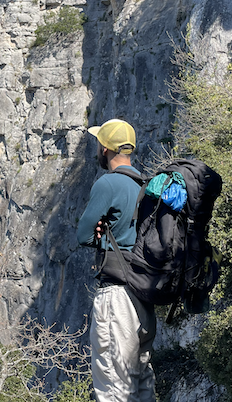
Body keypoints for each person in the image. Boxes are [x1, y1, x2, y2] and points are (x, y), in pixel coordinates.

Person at [77, 119, 157, 402]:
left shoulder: (108, 183)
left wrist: (100, 235)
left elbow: (83, 235)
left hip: (117, 298)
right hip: (144, 298)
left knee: (114, 388)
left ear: (105, 148)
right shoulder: (146, 186)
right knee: (142, 385)